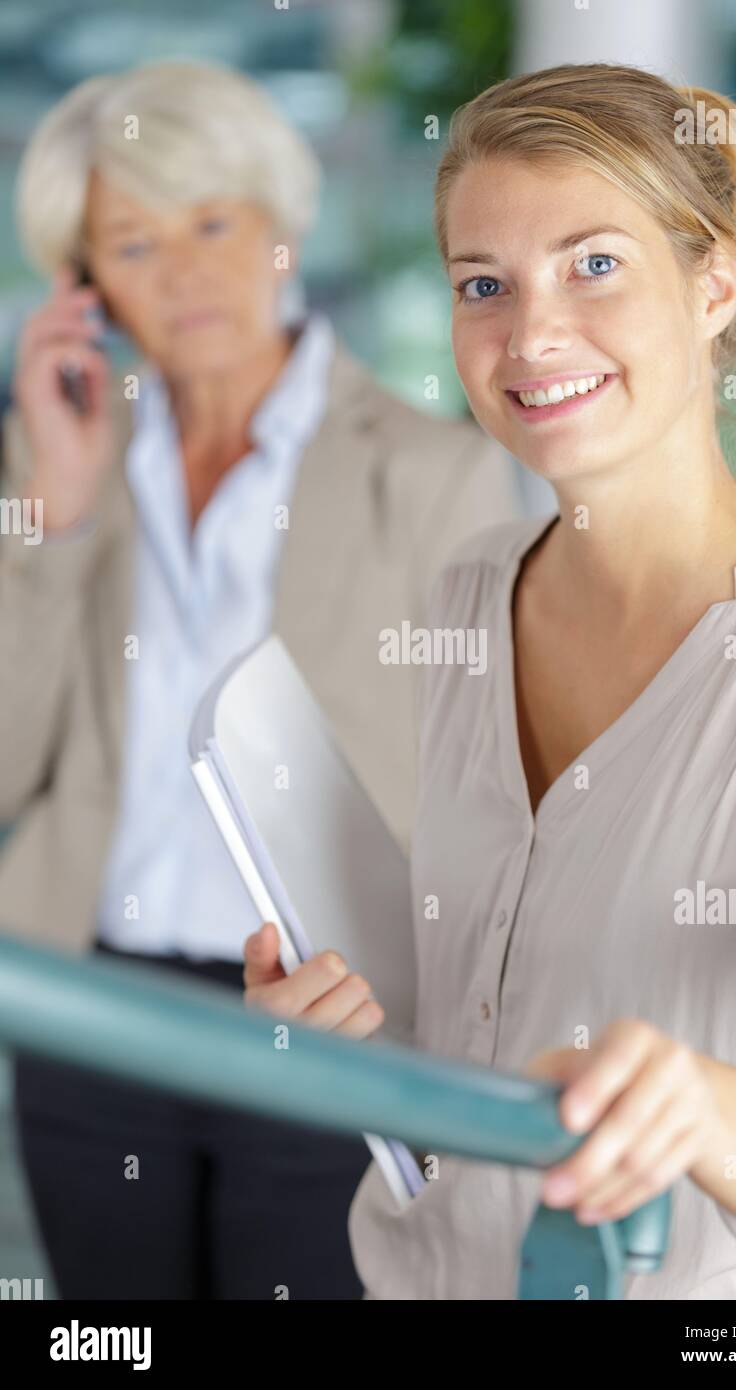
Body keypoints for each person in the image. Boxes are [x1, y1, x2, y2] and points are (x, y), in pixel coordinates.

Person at [243, 63, 736, 1300]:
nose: (528, 335)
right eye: (484, 285)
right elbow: (482, 1014)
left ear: (712, 282)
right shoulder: (472, 592)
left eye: (593, 264)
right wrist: (365, 1047)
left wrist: (699, 1107)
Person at [0, 59, 519, 1300]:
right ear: (85, 287)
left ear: (281, 227)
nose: (182, 274)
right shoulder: (56, 455)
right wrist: (51, 527)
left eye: (213, 224)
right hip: (94, 1007)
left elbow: (485, 785)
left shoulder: (430, 471)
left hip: (326, 1012)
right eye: (133, 242)